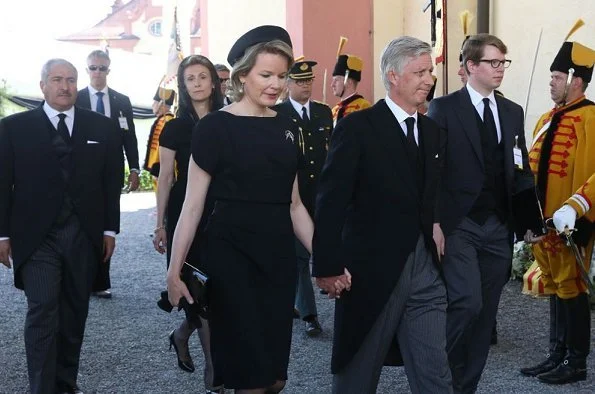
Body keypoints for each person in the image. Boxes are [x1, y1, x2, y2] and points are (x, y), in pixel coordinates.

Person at [166, 25, 314, 393]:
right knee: (250, 377)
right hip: (231, 258)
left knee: (276, 379)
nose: (276, 84)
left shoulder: (287, 124)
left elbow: (295, 204)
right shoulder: (215, 127)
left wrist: (326, 259)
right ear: (242, 76)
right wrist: (174, 271)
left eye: (281, 76)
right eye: (266, 75)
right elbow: (192, 205)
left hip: (277, 259)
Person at [312, 36, 451, 394]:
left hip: (425, 271)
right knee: (357, 373)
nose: (428, 79)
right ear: (392, 76)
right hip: (371, 272)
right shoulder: (358, 128)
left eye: (430, 71)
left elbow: (430, 191)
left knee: (435, 373)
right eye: (419, 72)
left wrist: (435, 224)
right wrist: (327, 265)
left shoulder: (434, 133)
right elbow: (331, 200)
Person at [0, 58, 123, 394]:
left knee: (73, 315)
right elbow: (2, 183)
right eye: (56, 79)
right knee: (42, 311)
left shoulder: (102, 127)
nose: (65, 86)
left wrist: (110, 230)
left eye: (70, 79)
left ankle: (65, 384)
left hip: (83, 236)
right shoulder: (14, 129)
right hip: (36, 238)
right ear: (43, 85)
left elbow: (111, 183)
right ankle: (42, 388)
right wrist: (3, 234)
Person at [427, 33, 534, 393]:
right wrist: (435, 221)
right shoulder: (444, 109)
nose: (500, 68)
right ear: (471, 66)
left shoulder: (512, 111)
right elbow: (432, 173)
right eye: (493, 62)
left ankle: (464, 386)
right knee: (467, 302)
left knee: (486, 313)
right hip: (460, 225)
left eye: (503, 62)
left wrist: (529, 222)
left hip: (498, 226)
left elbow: (520, 169)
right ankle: (437, 370)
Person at [520, 39, 595, 385]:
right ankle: (557, 353)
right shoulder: (548, 118)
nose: (551, 82)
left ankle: (576, 362)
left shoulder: (590, 118)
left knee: (572, 287)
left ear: (575, 79)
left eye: (557, 76)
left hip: (572, 224)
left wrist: (580, 212)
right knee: (554, 286)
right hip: (543, 225)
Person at [152, 55, 223, 393]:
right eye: (189, 78)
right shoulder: (174, 126)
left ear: (213, 81)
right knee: (195, 290)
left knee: (216, 290)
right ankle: (214, 374)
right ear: (183, 84)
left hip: (223, 212)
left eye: (202, 76)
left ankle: (181, 334)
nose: (196, 83)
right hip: (185, 211)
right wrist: (160, 224)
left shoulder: (229, 119)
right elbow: (165, 177)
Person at [272, 58, 333, 336]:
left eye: (308, 81)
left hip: (321, 194)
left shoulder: (322, 113)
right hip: (294, 194)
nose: (305, 86)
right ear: (288, 83)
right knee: (299, 257)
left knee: (327, 248)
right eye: (299, 81)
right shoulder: (277, 113)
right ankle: (309, 314)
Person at [76, 49, 140, 298]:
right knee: (80, 222)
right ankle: (79, 278)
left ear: (109, 70)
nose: (98, 72)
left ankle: (101, 281)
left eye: (103, 68)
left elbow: (130, 137)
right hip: (80, 172)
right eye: (93, 67)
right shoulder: (75, 97)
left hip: (111, 171)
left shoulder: (121, 101)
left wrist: (134, 168)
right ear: (87, 69)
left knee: (107, 224)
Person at [330, 37, 371, 125]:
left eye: (336, 80)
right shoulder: (334, 111)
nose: (332, 84)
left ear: (348, 82)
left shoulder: (364, 107)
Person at [144, 87, 176, 194]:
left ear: (161, 103)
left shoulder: (167, 120)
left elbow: (161, 146)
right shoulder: (163, 119)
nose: (153, 105)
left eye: (155, 102)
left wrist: (157, 165)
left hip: (160, 163)